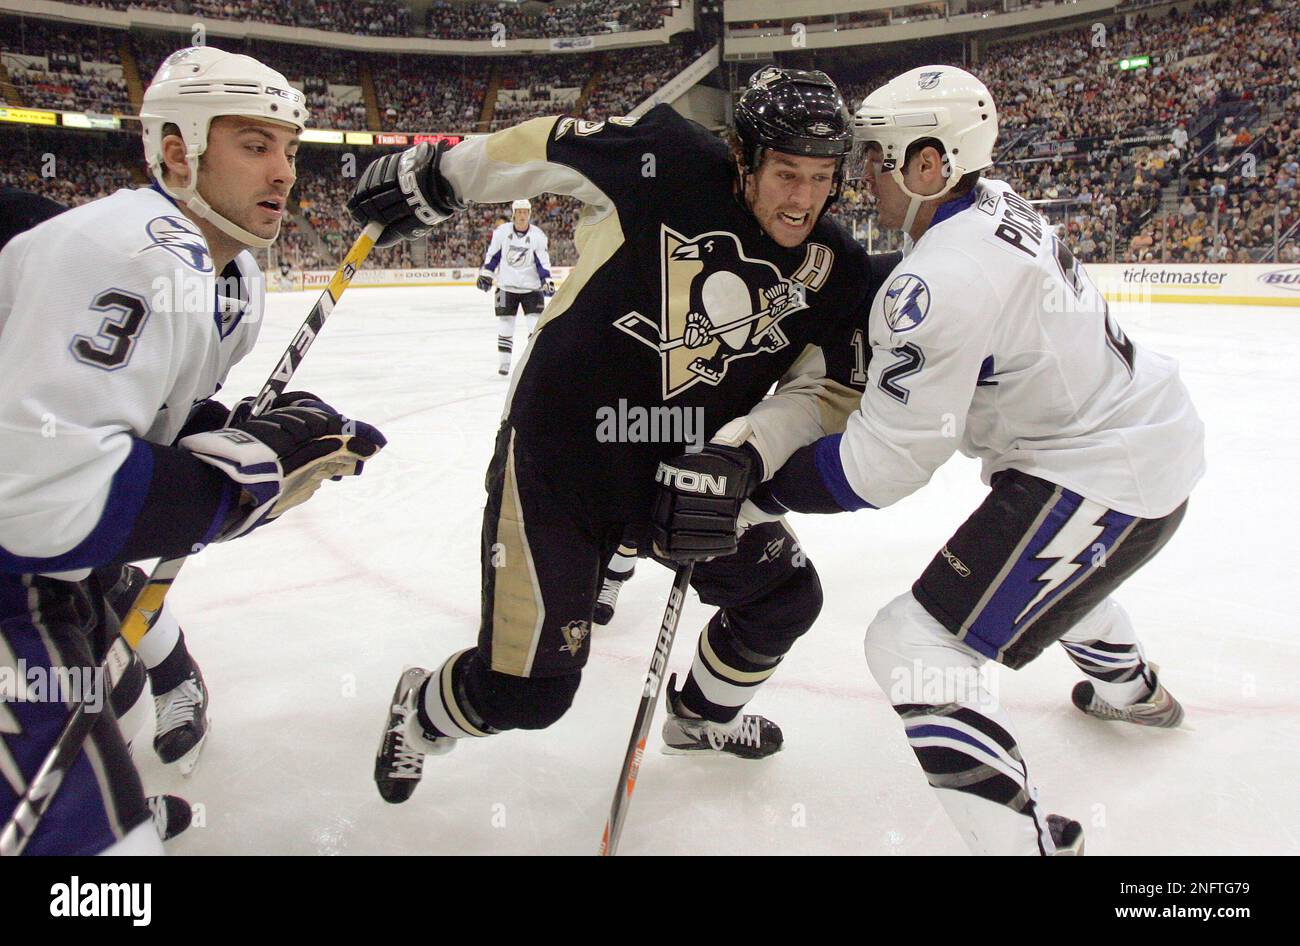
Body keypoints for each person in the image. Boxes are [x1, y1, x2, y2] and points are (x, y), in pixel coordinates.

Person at [347, 67, 898, 803]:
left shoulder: (837, 271)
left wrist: (745, 452)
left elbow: (827, 390)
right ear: (745, 159)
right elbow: (549, 145)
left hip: (682, 477)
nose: (802, 199)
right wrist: (445, 174)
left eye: (821, 177)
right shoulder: (670, 162)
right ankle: (420, 714)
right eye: (786, 173)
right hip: (558, 458)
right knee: (529, 694)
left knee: (784, 599)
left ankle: (701, 718)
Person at [736, 66, 1205, 855]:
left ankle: (1024, 845)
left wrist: (761, 478)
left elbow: (883, 464)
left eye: (880, 158)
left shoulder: (938, 276)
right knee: (1048, 574)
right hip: (1133, 441)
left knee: (910, 645)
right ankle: (1133, 690)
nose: (865, 179)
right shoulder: (993, 201)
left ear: (931, 165)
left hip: (1108, 476)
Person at [0, 46, 384, 856]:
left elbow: (142, 423)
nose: (284, 172)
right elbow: (40, 506)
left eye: (289, 147)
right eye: (254, 146)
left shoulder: (235, 277)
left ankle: (125, 792)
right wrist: (247, 479)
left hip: (45, 564)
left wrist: (235, 434)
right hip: (13, 571)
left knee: (126, 714)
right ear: (178, 149)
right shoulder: (130, 252)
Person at [477, 198, 554, 375]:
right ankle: (504, 364)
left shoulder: (538, 235)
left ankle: (533, 363)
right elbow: (493, 256)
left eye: (525, 212)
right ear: (514, 214)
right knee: (505, 325)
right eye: (519, 212)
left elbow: (542, 261)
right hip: (505, 287)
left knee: (535, 327)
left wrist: (547, 280)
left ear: (529, 214)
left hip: (531, 289)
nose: (522, 215)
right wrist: (486, 275)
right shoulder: (501, 232)